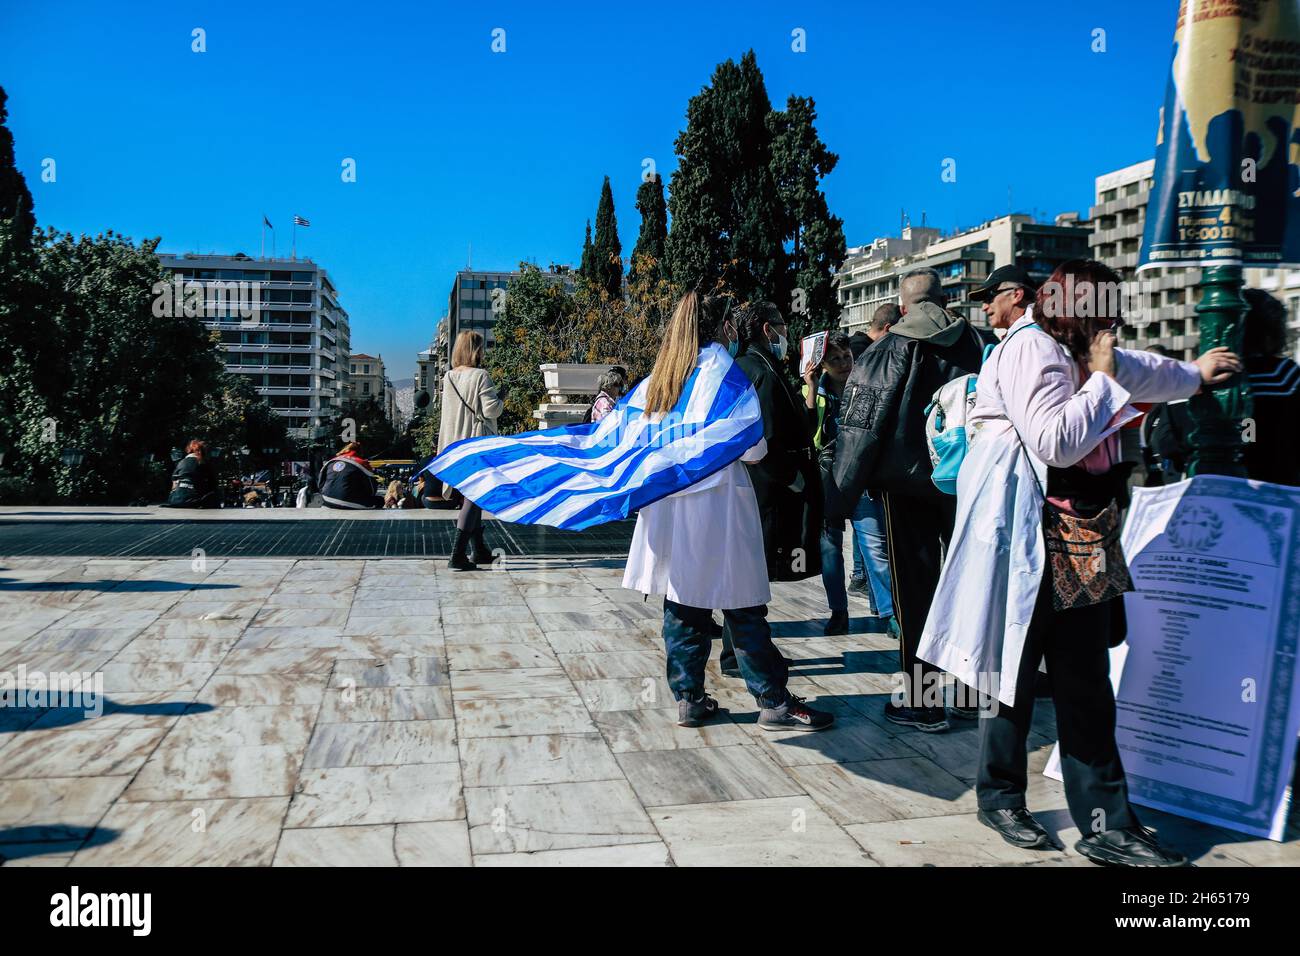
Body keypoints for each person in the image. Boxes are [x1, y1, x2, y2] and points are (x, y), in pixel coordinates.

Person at [918, 259, 1241, 866]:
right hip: (1027, 538)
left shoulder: (1082, 348)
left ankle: (1105, 823)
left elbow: (1142, 372)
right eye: (1106, 309)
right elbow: (1056, 439)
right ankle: (1000, 797)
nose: (1115, 323)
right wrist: (1102, 376)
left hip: (1083, 536)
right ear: (1076, 307)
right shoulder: (1029, 349)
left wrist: (1195, 375)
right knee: (1011, 673)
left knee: (1086, 681)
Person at [622, 291, 833, 732]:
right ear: (727, 328)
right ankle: (773, 701)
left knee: (683, 606)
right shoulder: (725, 376)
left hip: (670, 510)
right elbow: (754, 448)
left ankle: (690, 699)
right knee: (743, 605)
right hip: (718, 508)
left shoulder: (660, 378)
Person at [832, 268, 986, 733]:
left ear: (903, 307)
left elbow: (859, 428)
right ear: (944, 299)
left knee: (914, 591)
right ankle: (968, 691)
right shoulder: (976, 343)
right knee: (966, 585)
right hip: (967, 482)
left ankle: (922, 701)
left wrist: (839, 498)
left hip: (906, 487)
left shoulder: (887, 349)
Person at [721, 300, 823, 676]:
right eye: (782, 325)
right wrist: (790, 477)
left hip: (759, 489)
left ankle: (744, 652)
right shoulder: (758, 371)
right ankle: (742, 656)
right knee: (750, 577)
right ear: (767, 329)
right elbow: (765, 436)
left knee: (750, 575)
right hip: (762, 491)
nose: (786, 333)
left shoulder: (759, 366)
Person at [802, 331, 861, 635]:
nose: (843, 364)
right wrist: (812, 388)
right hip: (829, 480)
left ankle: (891, 612)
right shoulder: (813, 392)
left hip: (862, 478)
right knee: (830, 547)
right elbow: (808, 435)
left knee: (873, 544)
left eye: (847, 356)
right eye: (834, 359)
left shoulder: (865, 386)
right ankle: (839, 610)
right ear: (822, 364)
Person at [440, 330, 504, 569]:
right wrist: (502, 398)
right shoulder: (481, 376)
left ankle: (479, 551)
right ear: (476, 350)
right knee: (474, 497)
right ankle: (457, 555)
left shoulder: (448, 377)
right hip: (476, 442)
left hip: (454, 444)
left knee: (473, 496)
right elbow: (491, 411)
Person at [1241, 289, 1300, 486]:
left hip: (1232, 481)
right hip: (1282, 479)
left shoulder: (1219, 375)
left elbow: (1248, 430)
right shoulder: (1285, 374)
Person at [319, 441, 381, 510]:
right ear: (361, 452)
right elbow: (372, 489)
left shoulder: (331, 461)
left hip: (328, 499)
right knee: (380, 500)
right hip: (351, 502)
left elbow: (320, 484)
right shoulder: (362, 463)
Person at [165, 440, 219, 508]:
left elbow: (174, 485)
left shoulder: (181, 462)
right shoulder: (204, 463)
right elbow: (213, 483)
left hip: (176, 501)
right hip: (196, 501)